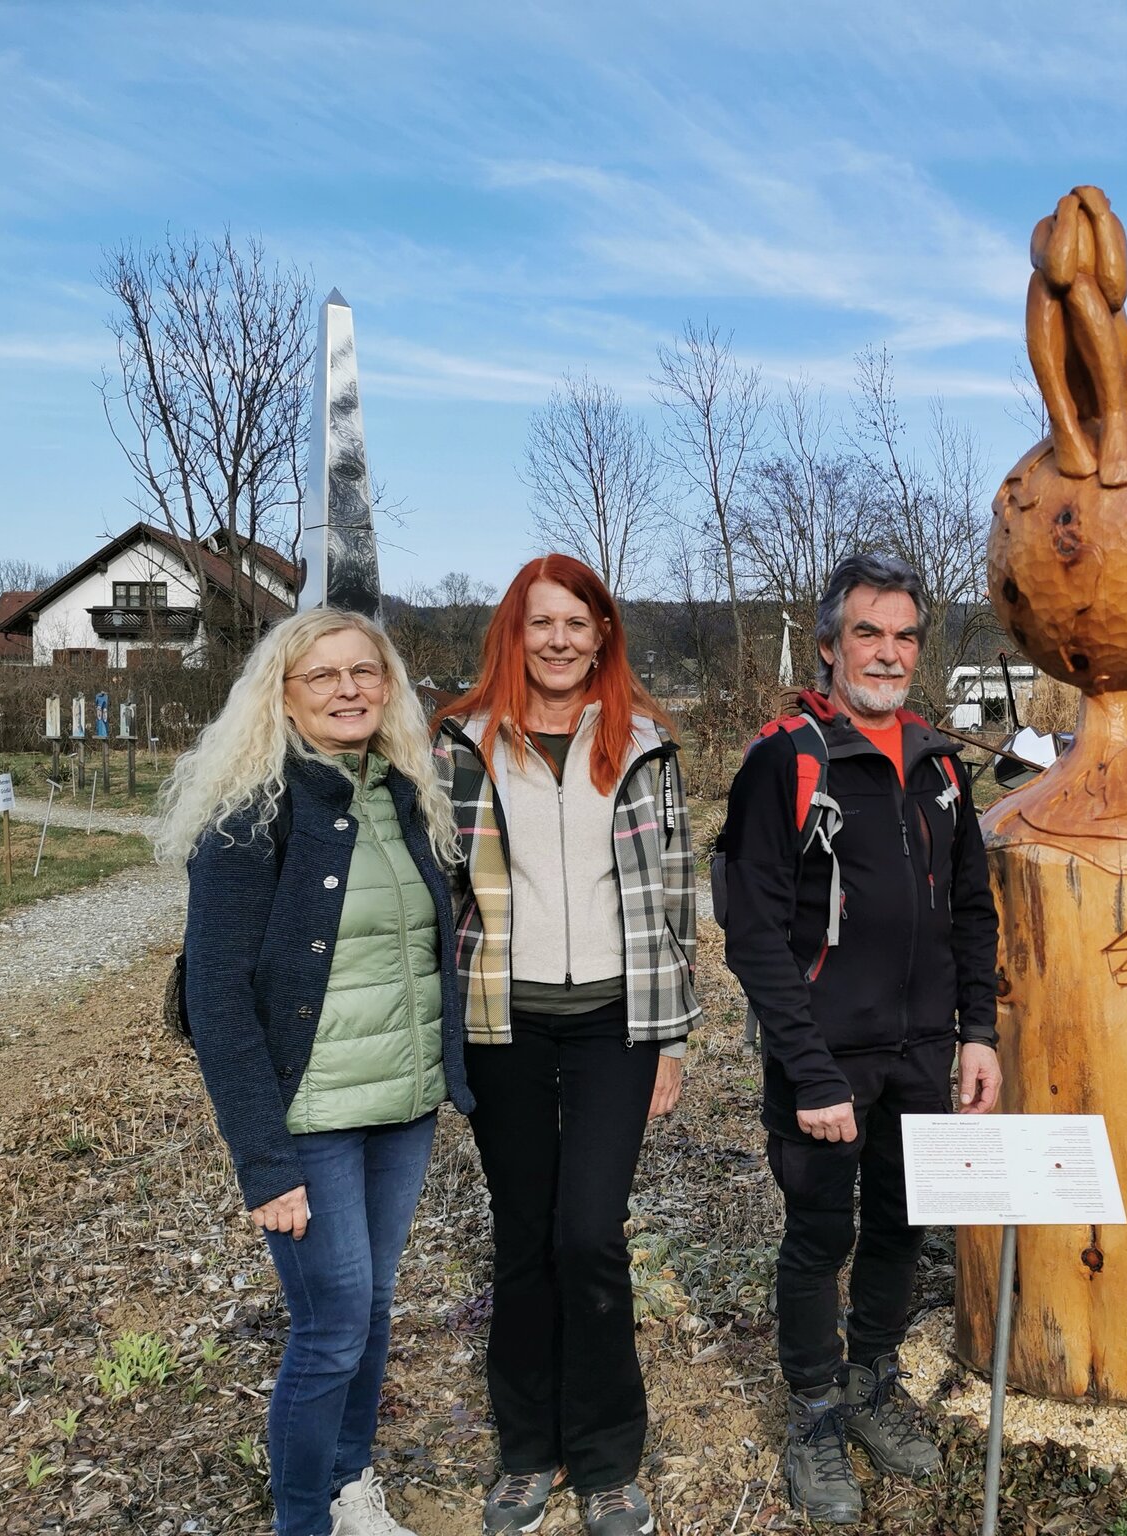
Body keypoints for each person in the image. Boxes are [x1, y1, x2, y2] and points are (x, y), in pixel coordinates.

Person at [159, 608, 472, 1536]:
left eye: (365, 673)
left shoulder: (405, 794)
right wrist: (265, 1163)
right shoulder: (252, 814)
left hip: (402, 1104)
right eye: (324, 676)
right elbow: (216, 1003)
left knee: (370, 1308)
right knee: (330, 1325)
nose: (349, 690)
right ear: (283, 696)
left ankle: (349, 1485)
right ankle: (304, 1518)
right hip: (311, 1115)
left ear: (389, 686)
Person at [719, 552, 1002, 1525]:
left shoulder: (940, 766)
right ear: (830, 646)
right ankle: (811, 1416)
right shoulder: (785, 759)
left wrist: (977, 1032)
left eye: (903, 635)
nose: (886, 652)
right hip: (825, 1061)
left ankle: (873, 1381)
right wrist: (806, 1067)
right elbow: (751, 931)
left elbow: (971, 908)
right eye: (867, 634)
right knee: (817, 1236)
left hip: (925, 1051)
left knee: (900, 1224)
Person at [432, 555, 697, 1536]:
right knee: (524, 1234)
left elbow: (672, 897)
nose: (557, 640)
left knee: (588, 1234)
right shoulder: (460, 743)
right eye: (540, 623)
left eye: (575, 624)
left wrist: (669, 1039)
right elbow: (437, 892)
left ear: (601, 636)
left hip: (612, 1024)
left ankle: (606, 1455)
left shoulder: (644, 743)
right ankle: (526, 1448)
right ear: (515, 631)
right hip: (499, 1019)